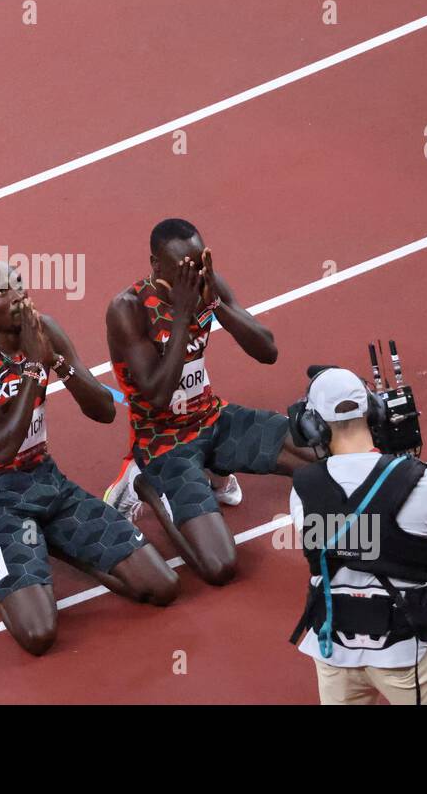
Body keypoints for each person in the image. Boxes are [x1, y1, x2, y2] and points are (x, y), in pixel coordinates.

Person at [0, 260, 179, 655]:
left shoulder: (44, 330)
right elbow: (2, 447)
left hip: (47, 481)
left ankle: (52, 540)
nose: (18, 295)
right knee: (39, 635)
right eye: (2, 292)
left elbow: (104, 411)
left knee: (161, 587)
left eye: (17, 283)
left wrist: (59, 363)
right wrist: (37, 367)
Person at [103, 218, 314, 584]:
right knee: (219, 566)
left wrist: (214, 301)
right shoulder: (128, 309)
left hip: (212, 419)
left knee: (320, 457)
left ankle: (213, 468)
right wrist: (183, 314)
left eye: (201, 262)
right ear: (156, 266)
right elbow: (156, 395)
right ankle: (149, 488)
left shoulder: (207, 285)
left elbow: (268, 351)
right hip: (164, 443)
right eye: (186, 267)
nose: (196, 272)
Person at [287, 366, 427, 704]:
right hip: (406, 654)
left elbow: (338, 542)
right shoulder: (419, 482)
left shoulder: (303, 488)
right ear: (374, 410)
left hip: (334, 653)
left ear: (312, 426)